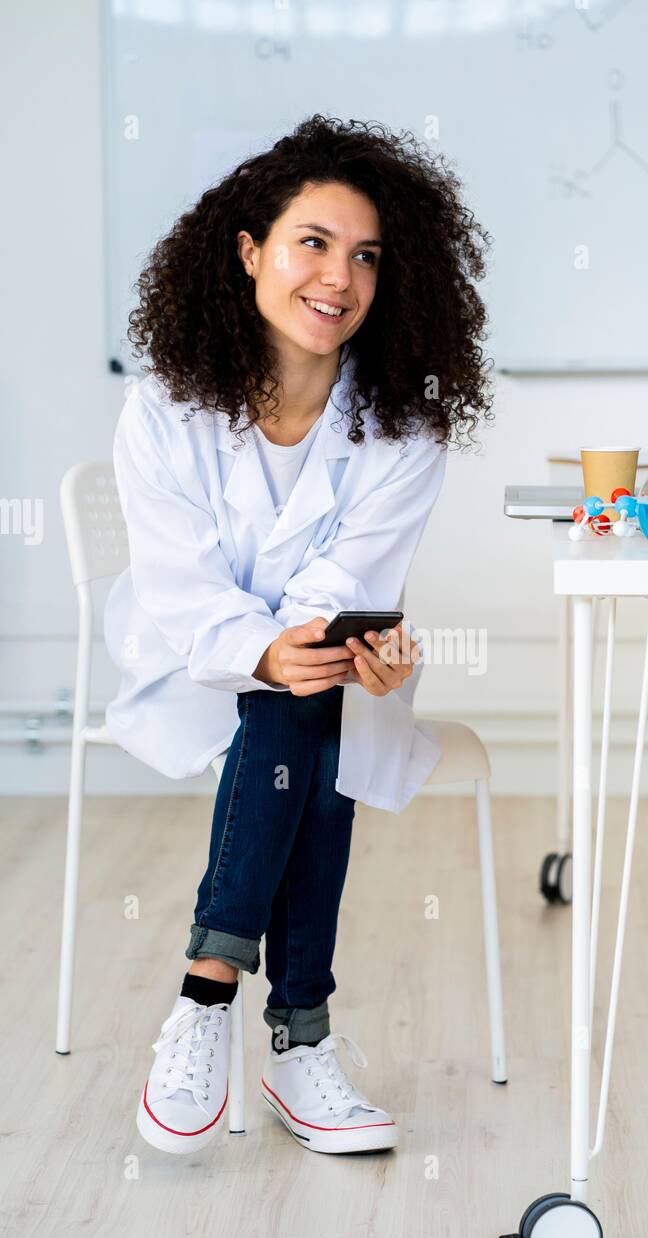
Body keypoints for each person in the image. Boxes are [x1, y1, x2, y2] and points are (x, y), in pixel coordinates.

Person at [103, 115, 493, 1157]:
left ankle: (205, 996)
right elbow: (182, 590)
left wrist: (343, 650)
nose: (339, 276)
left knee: (308, 687)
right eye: (312, 243)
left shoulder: (400, 426)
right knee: (294, 694)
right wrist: (273, 652)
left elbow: (342, 586)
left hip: (314, 679)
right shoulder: (164, 411)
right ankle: (298, 1038)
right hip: (186, 661)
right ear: (249, 252)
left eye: (365, 255)